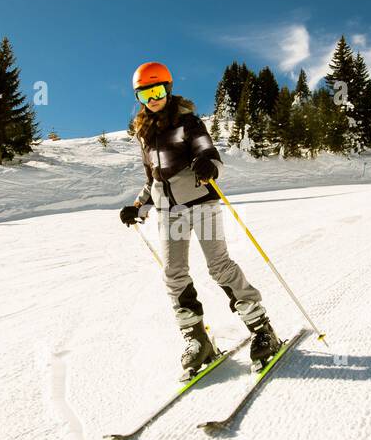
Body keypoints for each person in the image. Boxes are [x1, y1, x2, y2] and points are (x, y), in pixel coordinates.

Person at [119, 61, 280, 378]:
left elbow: (208, 151)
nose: (153, 98)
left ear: (168, 88)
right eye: (145, 93)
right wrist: (138, 206)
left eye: (158, 90)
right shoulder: (145, 135)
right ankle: (198, 340)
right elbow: (153, 178)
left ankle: (262, 330)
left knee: (218, 266)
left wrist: (207, 165)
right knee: (173, 273)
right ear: (139, 97)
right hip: (169, 210)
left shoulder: (187, 122)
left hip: (201, 202)